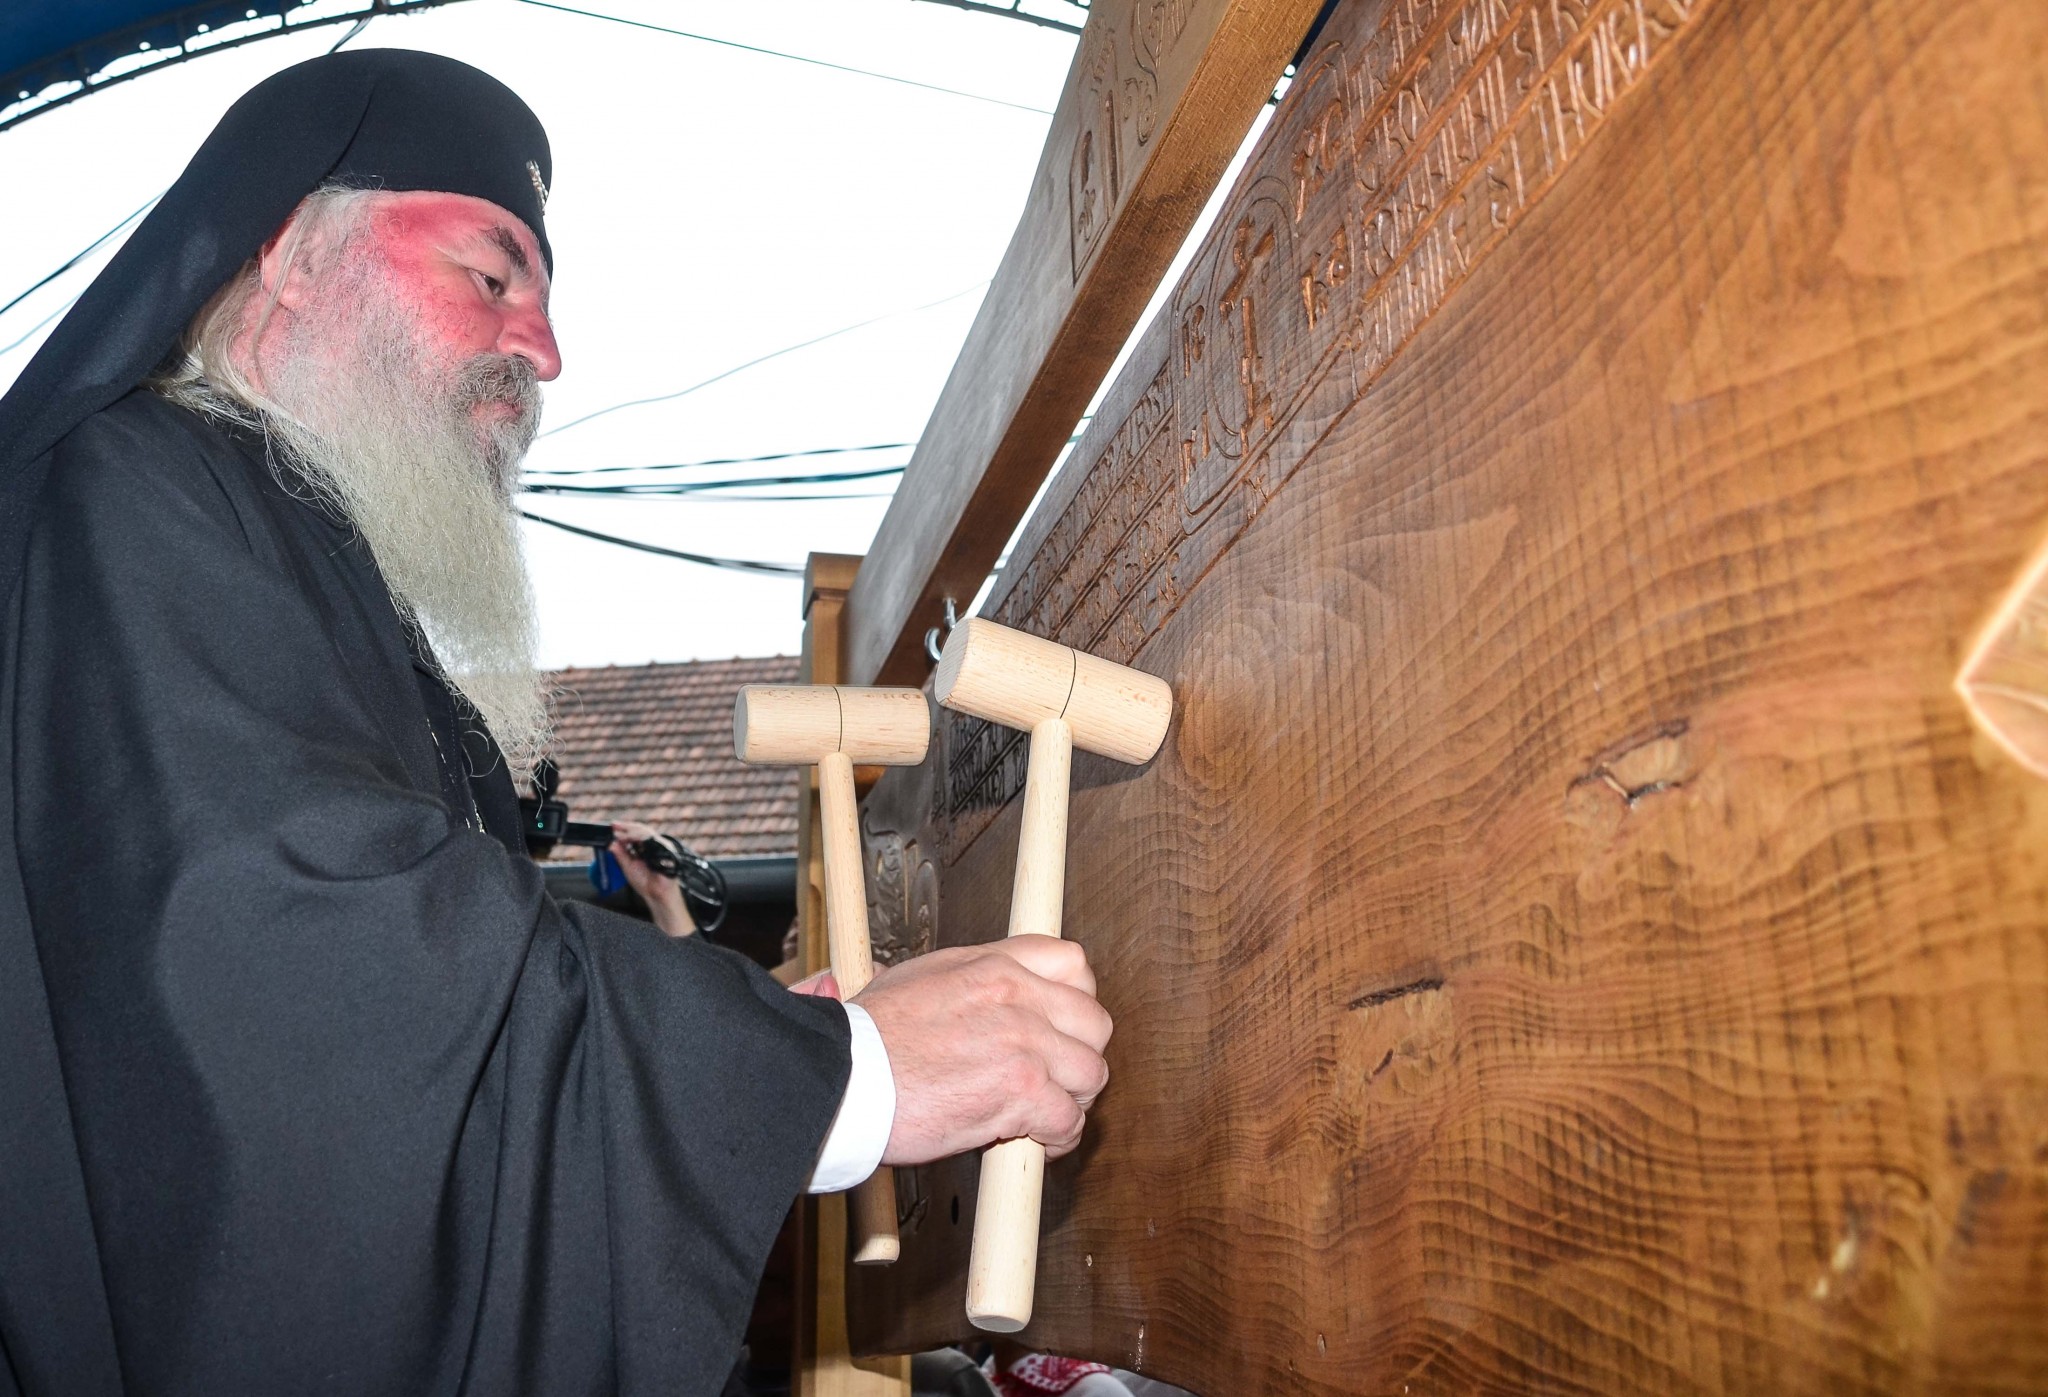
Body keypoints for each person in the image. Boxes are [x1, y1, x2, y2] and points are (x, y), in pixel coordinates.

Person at [0, 51, 1112, 1397]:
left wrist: (734, 1042)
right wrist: (844, 1074)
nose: (546, 349)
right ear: (295, 255)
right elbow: (316, 992)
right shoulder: (131, 498)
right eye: (493, 273)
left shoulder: (296, 555)